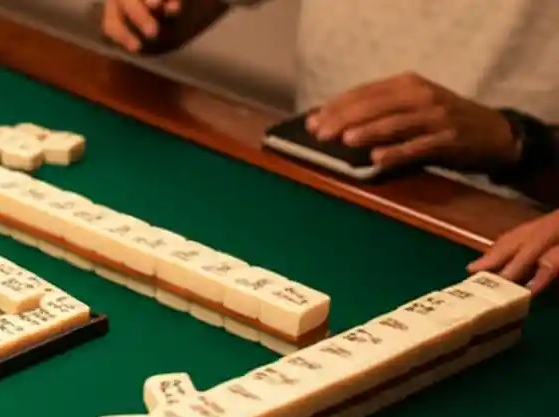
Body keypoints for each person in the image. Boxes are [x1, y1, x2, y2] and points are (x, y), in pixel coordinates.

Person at [98, 0, 559, 293]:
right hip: (308, 199)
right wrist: (150, 11)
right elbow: (171, 20)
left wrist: (513, 140)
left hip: (504, 246)